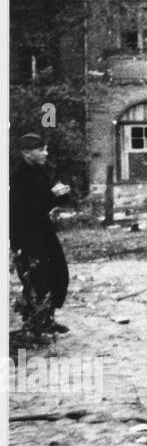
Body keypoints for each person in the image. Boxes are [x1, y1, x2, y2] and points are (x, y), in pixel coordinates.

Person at [9, 133, 72, 334]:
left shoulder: (39, 171)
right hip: (25, 234)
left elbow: (46, 202)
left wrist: (61, 195)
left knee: (57, 272)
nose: (46, 153)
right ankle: (35, 323)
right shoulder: (17, 176)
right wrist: (51, 196)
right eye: (41, 150)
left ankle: (47, 319)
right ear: (27, 153)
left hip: (42, 230)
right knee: (36, 277)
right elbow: (22, 209)